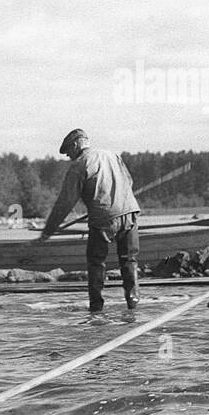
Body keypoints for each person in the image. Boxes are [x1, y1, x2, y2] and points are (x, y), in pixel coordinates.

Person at [40, 129, 140, 311]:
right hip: (130, 212)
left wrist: (48, 230)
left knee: (95, 263)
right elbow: (129, 182)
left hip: (103, 218)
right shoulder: (112, 155)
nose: (68, 156)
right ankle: (133, 305)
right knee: (129, 260)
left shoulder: (79, 165)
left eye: (68, 151)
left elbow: (65, 203)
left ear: (77, 144)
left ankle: (96, 309)